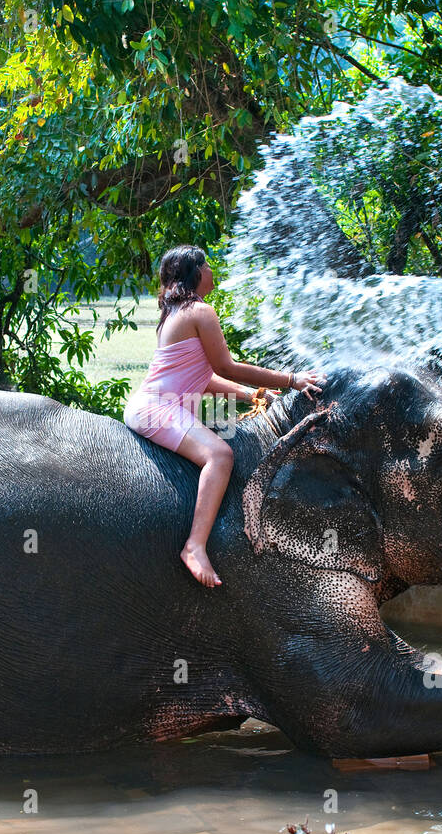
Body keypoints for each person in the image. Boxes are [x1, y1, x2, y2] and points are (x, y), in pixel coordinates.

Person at [123, 244, 326, 588]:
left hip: (149, 405)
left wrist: (252, 394)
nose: (213, 272)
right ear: (196, 272)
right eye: (208, 266)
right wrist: (292, 380)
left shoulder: (176, 314)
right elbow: (226, 366)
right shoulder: (200, 311)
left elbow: (204, 377)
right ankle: (195, 547)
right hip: (158, 408)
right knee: (220, 454)